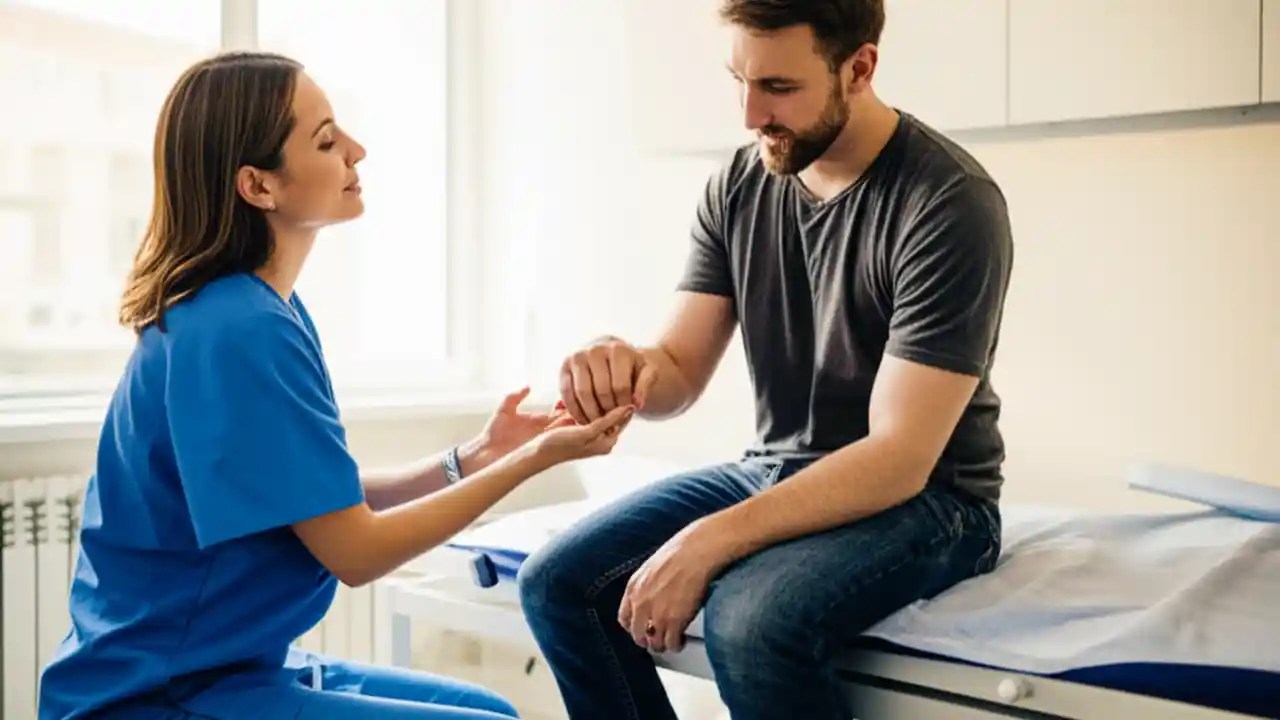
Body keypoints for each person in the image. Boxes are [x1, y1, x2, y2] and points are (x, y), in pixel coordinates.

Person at [37, 51, 635, 720]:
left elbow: (318, 498)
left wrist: (478, 454)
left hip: (224, 668)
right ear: (258, 186)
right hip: (156, 695)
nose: (357, 151)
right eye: (326, 140)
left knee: (490, 706)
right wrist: (534, 460)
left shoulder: (260, 310)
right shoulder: (237, 329)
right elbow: (356, 550)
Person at [517, 1, 1014, 718]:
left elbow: (900, 457)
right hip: (776, 467)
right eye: (740, 83)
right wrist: (621, 364)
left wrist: (707, 541)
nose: (751, 116)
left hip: (934, 500)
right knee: (557, 584)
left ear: (860, 68)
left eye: (779, 89)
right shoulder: (740, 185)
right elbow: (677, 372)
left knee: (751, 622)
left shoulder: (949, 202)